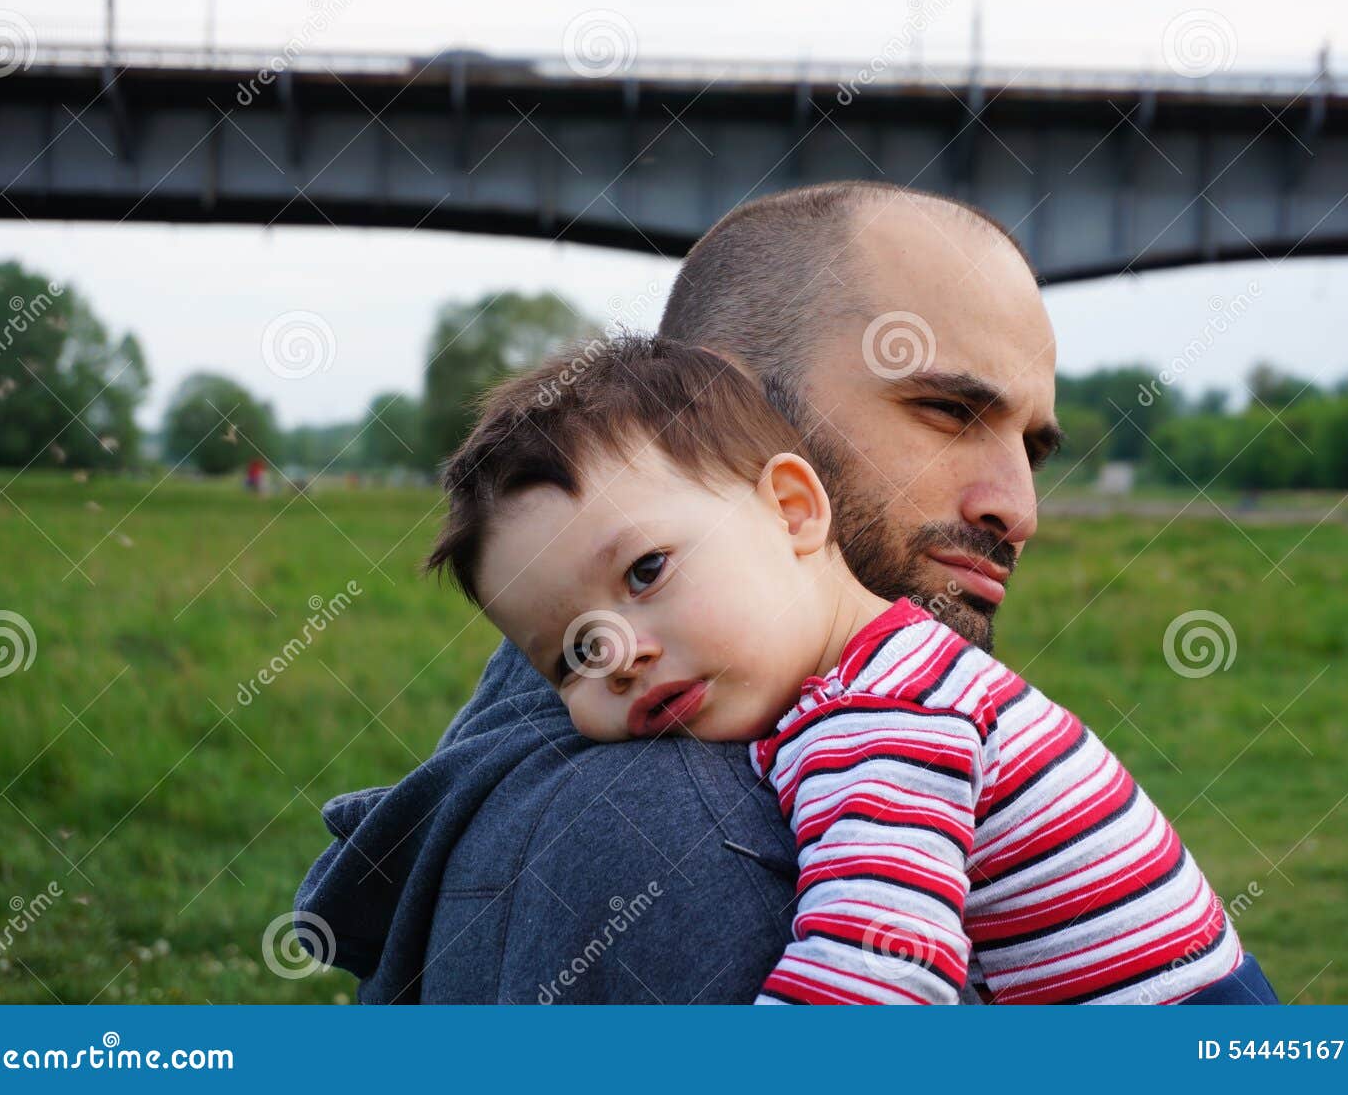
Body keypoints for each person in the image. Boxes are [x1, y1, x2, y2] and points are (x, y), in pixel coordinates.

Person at [296, 181, 1279, 1004]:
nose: (1017, 509)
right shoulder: (690, 832)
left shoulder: (862, 714)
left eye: (1030, 446)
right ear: (745, 411)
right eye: (947, 410)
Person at [423, 334, 1248, 1004]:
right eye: (572, 654)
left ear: (792, 510)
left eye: (646, 572)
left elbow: (886, 967)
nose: (620, 658)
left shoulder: (886, 713)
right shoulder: (872, 676)